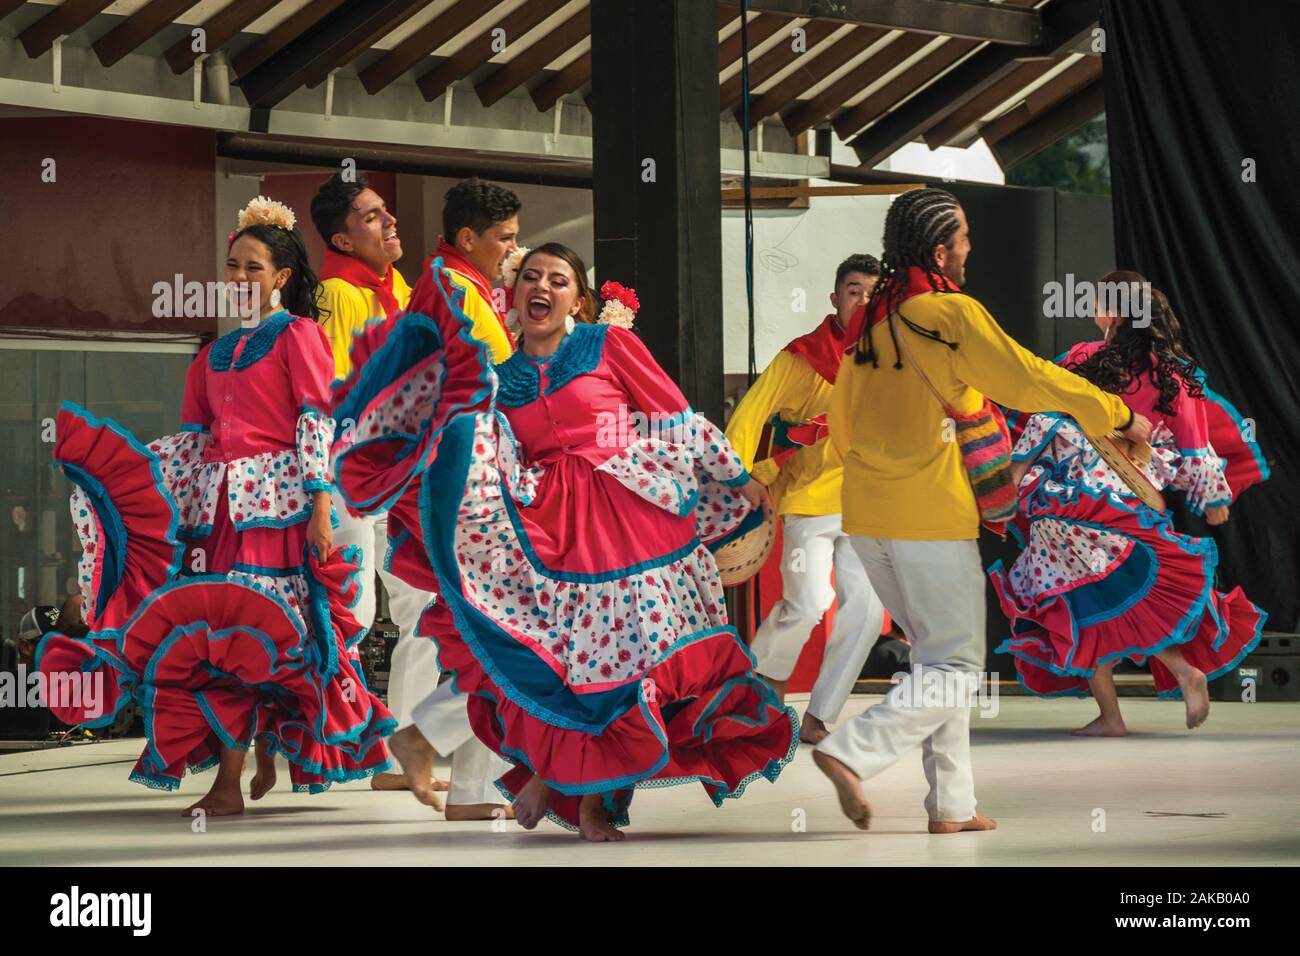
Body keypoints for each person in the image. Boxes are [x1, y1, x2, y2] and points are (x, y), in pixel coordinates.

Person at [333, 242, 799, 841]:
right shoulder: (500, 380)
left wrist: (737, 477)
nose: (542, 288)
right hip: (555, 534)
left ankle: (564, 786)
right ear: (513, 293)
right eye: (531, 276)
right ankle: (524, 771)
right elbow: (493, 457)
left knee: (637, 662)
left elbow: (676, 419)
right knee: (562, 660)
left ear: (578, 299)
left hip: (634, 519)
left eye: (558, 280)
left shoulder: (610, 345)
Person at [37, 196, 394, 815]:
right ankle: (241, 766)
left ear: (281, 277)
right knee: (218, 638)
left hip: (277, 513)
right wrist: (128, 489)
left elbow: (316, 419)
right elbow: (195, 442)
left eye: (252, 267)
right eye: (232, 266)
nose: (238, 278)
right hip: (218, 513)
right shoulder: (211, 355)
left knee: (266, 635)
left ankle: (236, 776)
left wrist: (318, 506)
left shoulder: (300, 335)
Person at [813, 188, 1152, 834]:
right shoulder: (949, 314)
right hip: (930, 518)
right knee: (960, 664)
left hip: (865, 518)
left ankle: (952, 806)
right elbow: (1030, 379)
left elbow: (841, 428)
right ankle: (849, 751)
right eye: (963, 237)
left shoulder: (870, 325)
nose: (970, 248)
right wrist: (1119, 413)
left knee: (934, 657)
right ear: (941, 250)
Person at [989, 272, 1268, 735]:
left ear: (1112, 312)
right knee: (1096, 597)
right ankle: (1139, 700)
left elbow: (1049, 414)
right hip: (1135, 501)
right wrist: (1213, 497)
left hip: (1076, 500)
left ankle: (1140, 698)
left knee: (1073, 598)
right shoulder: (1177, 374)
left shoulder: (1085, 359)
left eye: (1098, 301)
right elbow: (1195, 446)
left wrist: (1016, 472)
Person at [334, 178, 522, 821]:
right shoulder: (449, 289)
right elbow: (504, 384)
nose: (513, 252)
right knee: (481, 632)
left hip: (451, 489)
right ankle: (426, 754)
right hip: (452, 492)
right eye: (506, 239)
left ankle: (453, 771)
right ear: (470, 237)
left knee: (460, 631)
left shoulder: (440, 284)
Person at [311, 173, 440, 795]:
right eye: (371, 216)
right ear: (341, 237)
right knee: (355, 610)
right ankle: (338, 745)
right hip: (353, 475)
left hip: (401, 473)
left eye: (386, 210)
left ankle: (401, 752)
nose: (389, 221)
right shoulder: (338, 293)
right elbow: (336, 391)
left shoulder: (401, 288)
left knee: (419, 604)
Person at [725, 253, 886, 744]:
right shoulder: (802, 356)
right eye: (853, 290)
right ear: (835, 298)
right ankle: (759, 693)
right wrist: (738, 475)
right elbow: (751, 414)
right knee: (811, 600)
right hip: (808, 501)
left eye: (871, 294)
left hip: (867, 501)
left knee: (868, 610)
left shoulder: (889, 360)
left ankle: (820, 714)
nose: (861, 300)